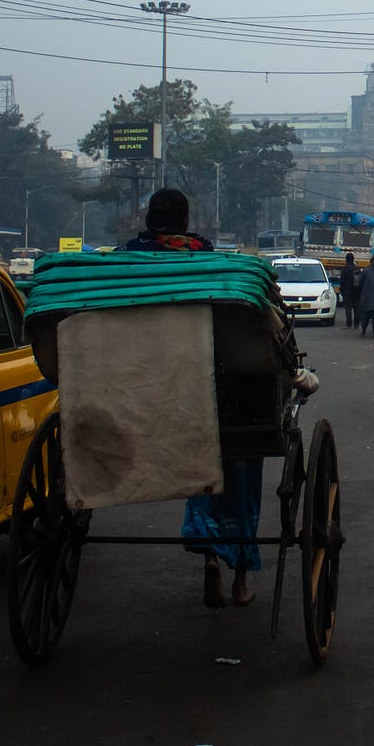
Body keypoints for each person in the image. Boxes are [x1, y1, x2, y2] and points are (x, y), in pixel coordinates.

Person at [120, 187, 258, 608]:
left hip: (136, 389)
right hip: (206, 387)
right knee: (239, 472)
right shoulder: (204, 257)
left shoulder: (123, 260)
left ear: (147, 218)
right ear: (183, 221)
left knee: (206, 462)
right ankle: (237, 579)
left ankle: (210, 553)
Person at [338, 252, 360, 330]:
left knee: (348, 308)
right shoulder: (357, 268)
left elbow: (342, 281)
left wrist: (342, 290)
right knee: (357, 309)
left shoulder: (345, 268)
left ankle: (349, 324)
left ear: (346, 260)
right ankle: (357, 324)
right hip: (357, 291)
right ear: (353, 259)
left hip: (347, 291)